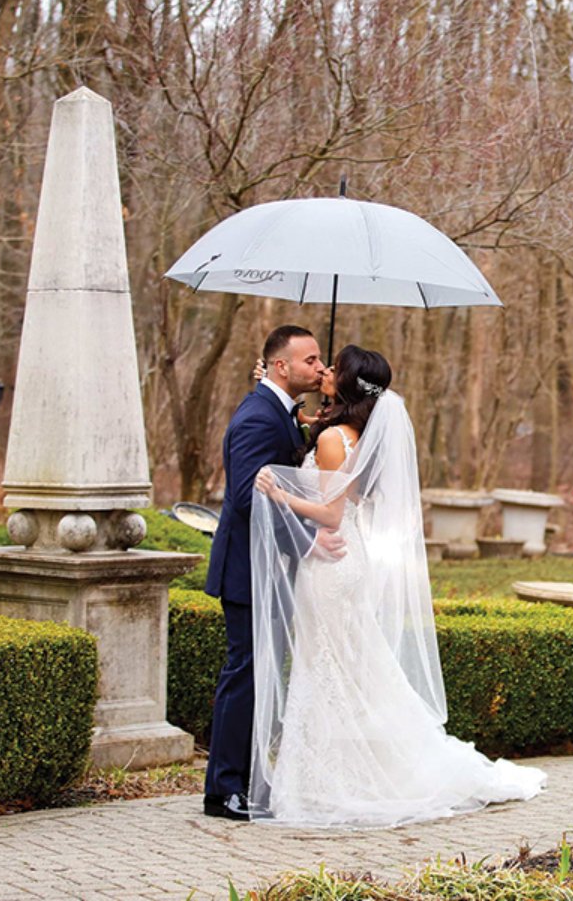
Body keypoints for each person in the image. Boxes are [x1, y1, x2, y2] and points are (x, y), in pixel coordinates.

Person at [248, 345, 545, 827]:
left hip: (330, 565)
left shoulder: (332, 441)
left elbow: (328, 512)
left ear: (346, 385)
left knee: (324, 666)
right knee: (345, 666)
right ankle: (342, 776)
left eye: (334, 368)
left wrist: (280, 493)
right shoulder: (359, 437)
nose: (325, 371)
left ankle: (327, 783)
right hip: (350, 558)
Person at [202, 325, 341, 821]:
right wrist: (308, 540)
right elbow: (245, 498)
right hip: (247, 573)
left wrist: (311, 428)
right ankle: (223, 790)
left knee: (260, 676)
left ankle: (245, 779)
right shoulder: (258, 418)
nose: (319, 368)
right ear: (281, 366)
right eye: (310, 360)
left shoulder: (280, 415)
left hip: (268, 571)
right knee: (245, 675)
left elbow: (278, 475)